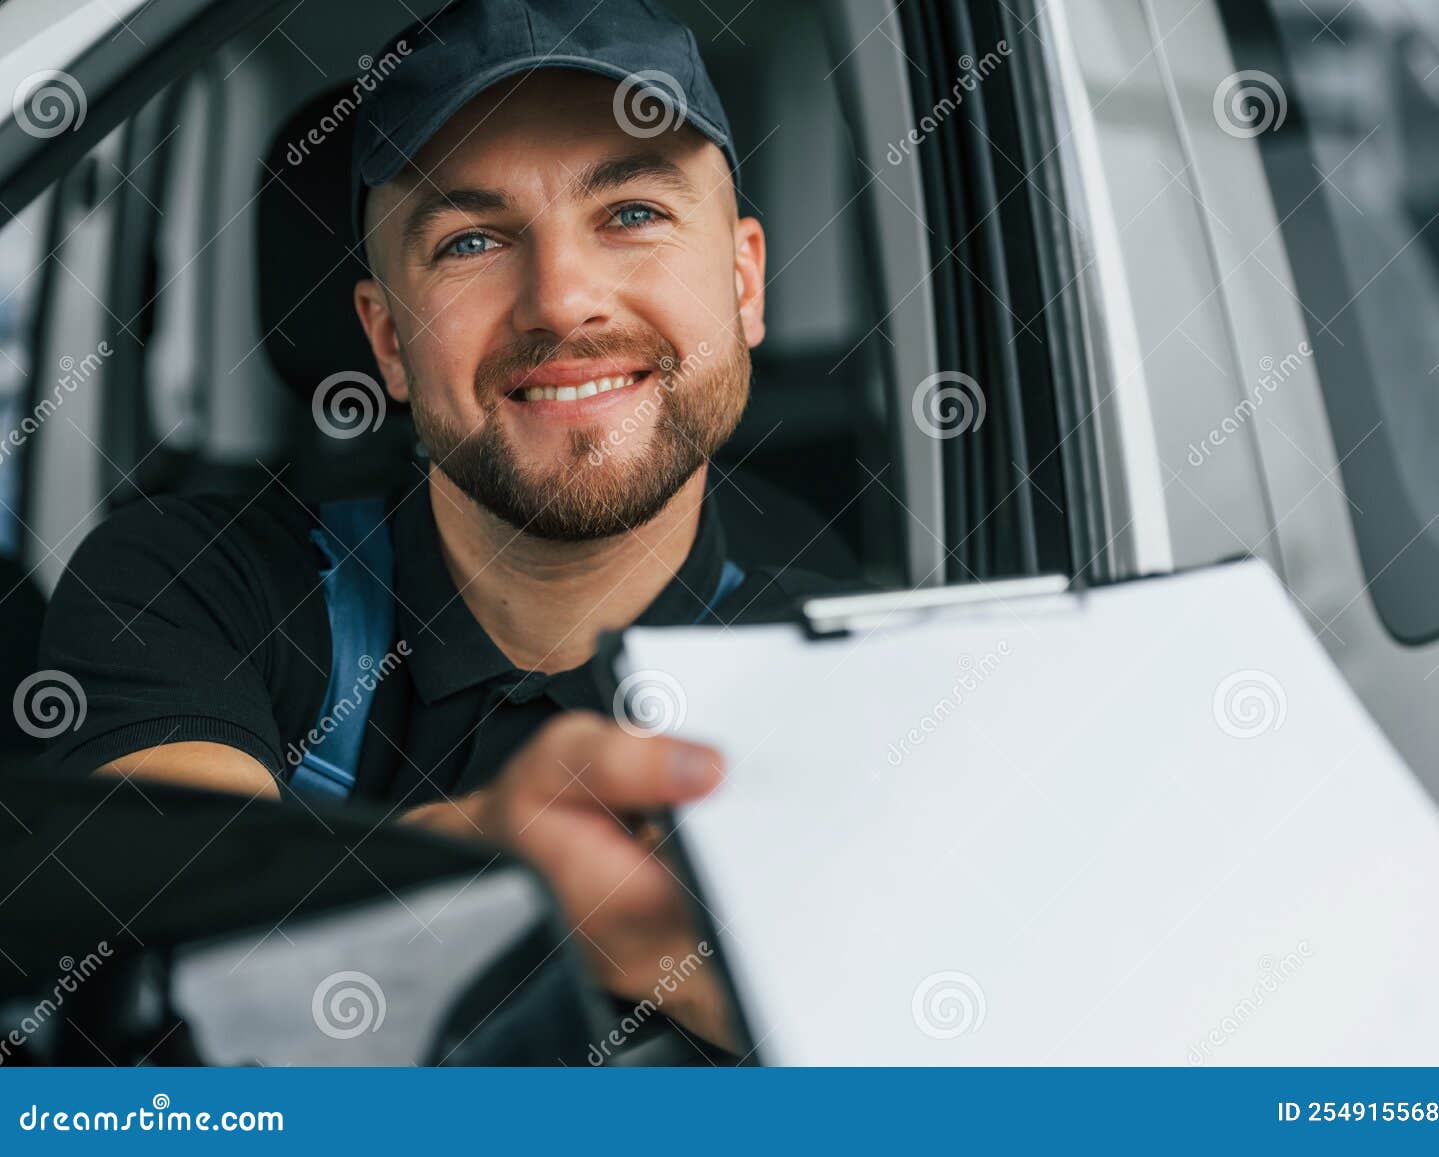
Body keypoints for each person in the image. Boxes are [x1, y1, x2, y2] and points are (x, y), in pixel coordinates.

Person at [38, 0, 846, 1057]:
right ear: (387, 341)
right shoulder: (185, 583)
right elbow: (183, 967)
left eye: (633, 213)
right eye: (471, 240)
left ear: (743, 281)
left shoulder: (853, 663)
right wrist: (494, 880)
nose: (562, 301)